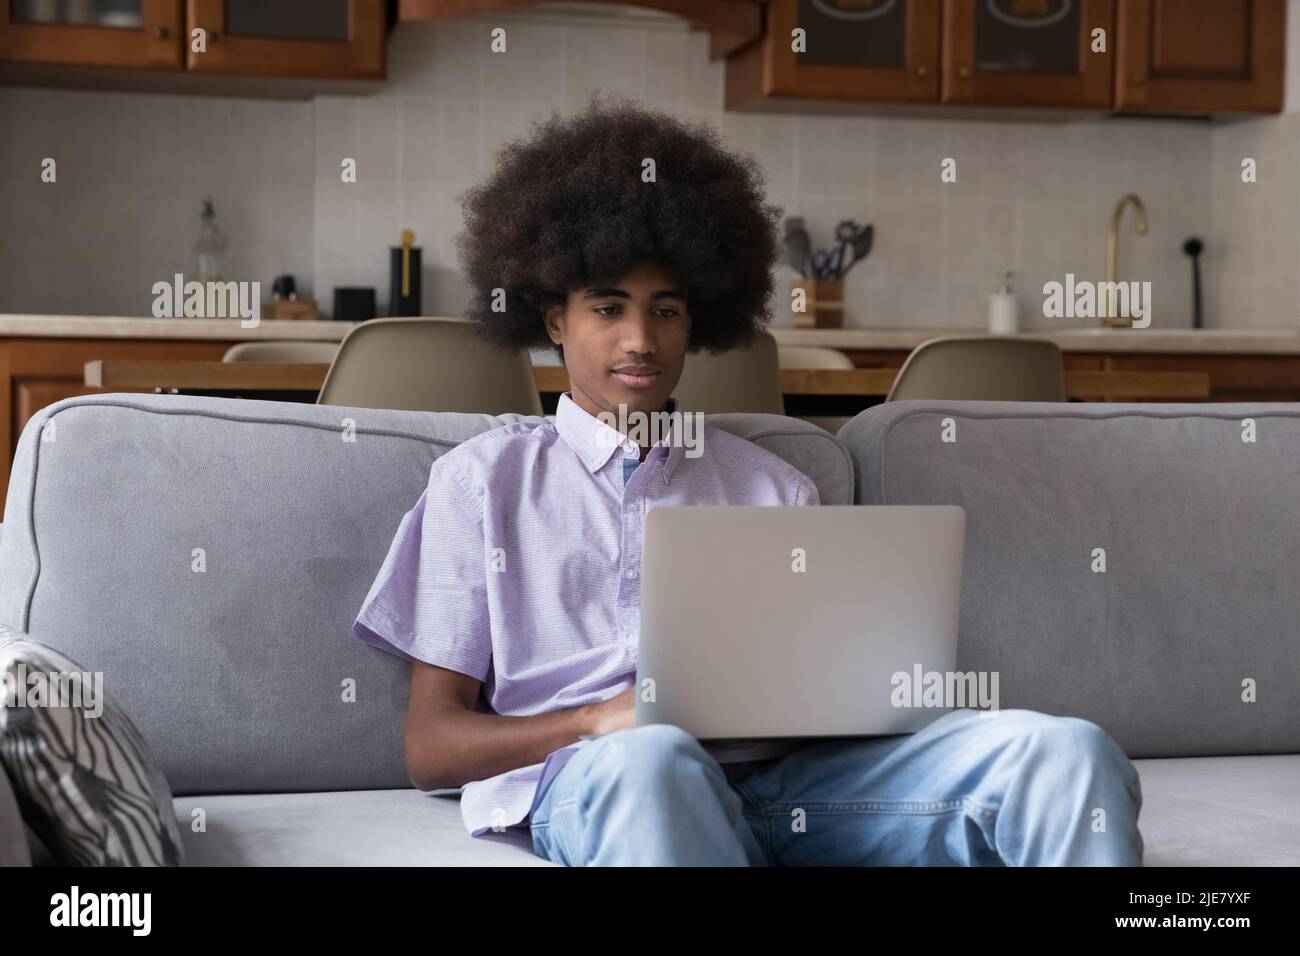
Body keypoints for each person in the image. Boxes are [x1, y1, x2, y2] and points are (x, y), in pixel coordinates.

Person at [352, 94, 1144, 866]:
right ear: (555, 319)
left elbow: (841, 701)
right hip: (611, 781)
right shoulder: (481, 485)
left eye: (666, 310)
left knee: (1064, 751)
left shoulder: (776, 488)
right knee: (653, 760)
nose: (640, 339)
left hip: (794, 788)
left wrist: (869, 692)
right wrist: (595, 722)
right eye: (607, 308)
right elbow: (431, 747)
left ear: (697, 319)